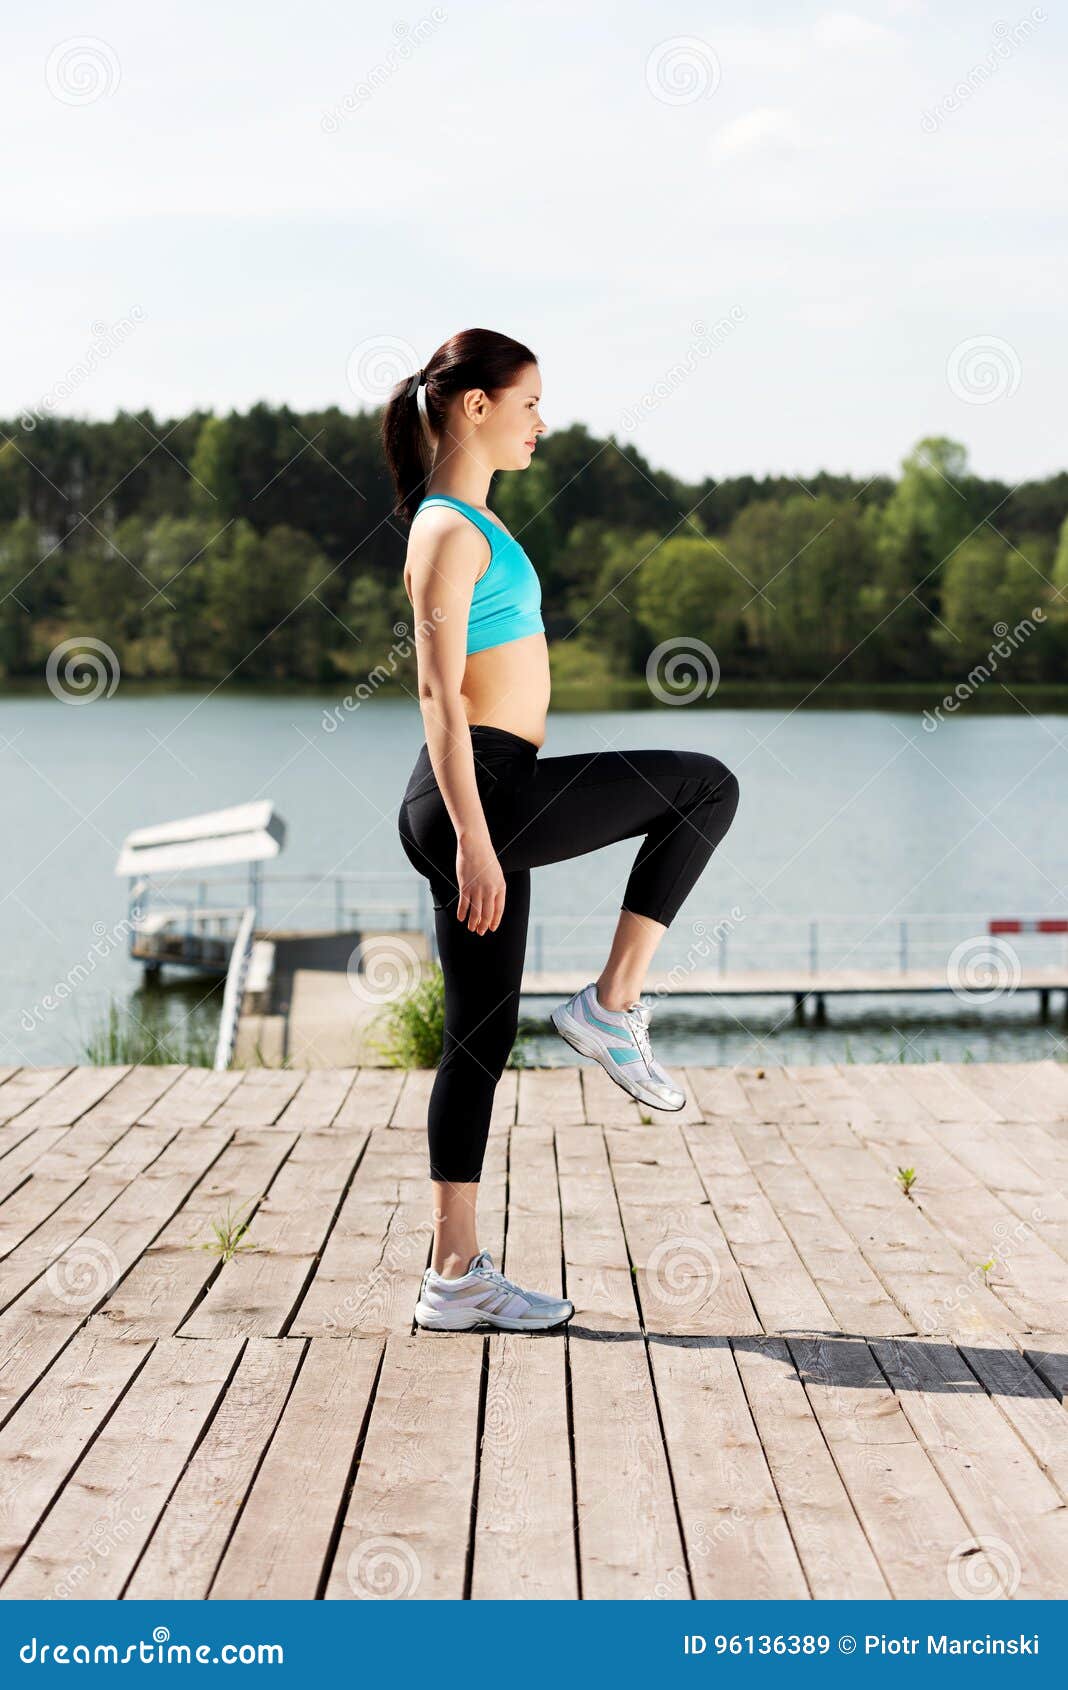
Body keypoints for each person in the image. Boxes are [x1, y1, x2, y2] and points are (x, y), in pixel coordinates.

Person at [383, 328, 740, 1332]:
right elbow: (436, 697)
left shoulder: (470, 523)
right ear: (475, 407)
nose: (545, 420)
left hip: (494, 791)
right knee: (705, 787)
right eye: (530, 401)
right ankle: (610, 1005)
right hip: (478, 795)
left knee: (478, 1037)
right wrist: (476, 839)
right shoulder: (449, 530)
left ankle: (454, 1278)